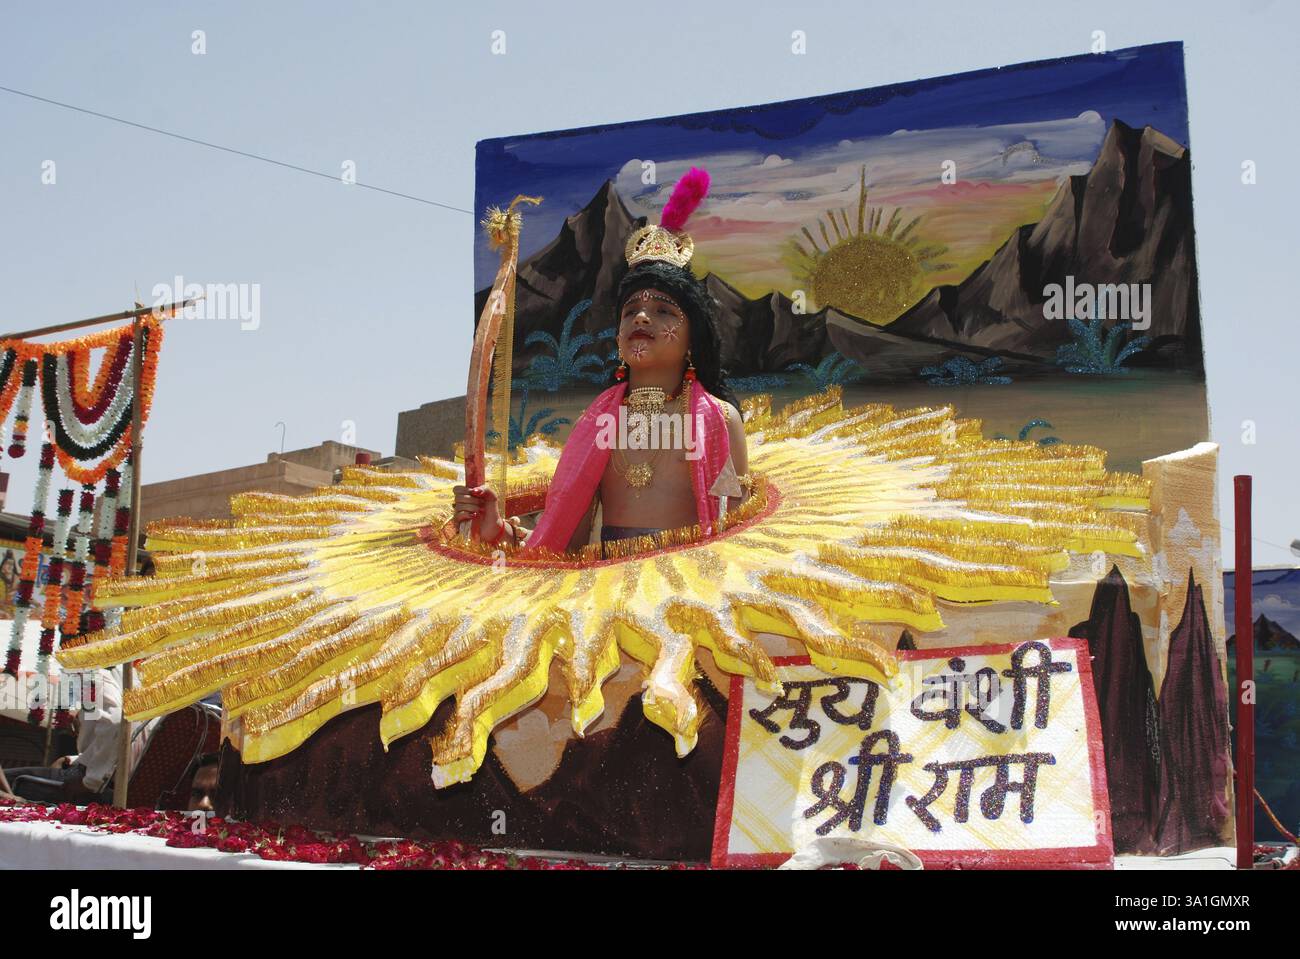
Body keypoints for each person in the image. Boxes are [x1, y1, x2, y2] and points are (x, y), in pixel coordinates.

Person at [453, 167, 751, 558]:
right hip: (606, 600)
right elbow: (563, 547)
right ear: (617, 336)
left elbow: (740, 536)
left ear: (694, 338)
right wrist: (497, 532)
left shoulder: (720, 420)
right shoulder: (596, 423)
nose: (642, 319)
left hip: (685, 602)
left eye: (664, 311)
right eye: (631, 312)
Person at [1, 665, 161, 804]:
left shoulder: (94, 679)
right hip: (103, 780)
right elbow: (121, 745)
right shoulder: (131, 686)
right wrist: (74, 759)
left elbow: (115, 724)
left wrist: (90, 782)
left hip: (90, 785)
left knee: (12, 778)